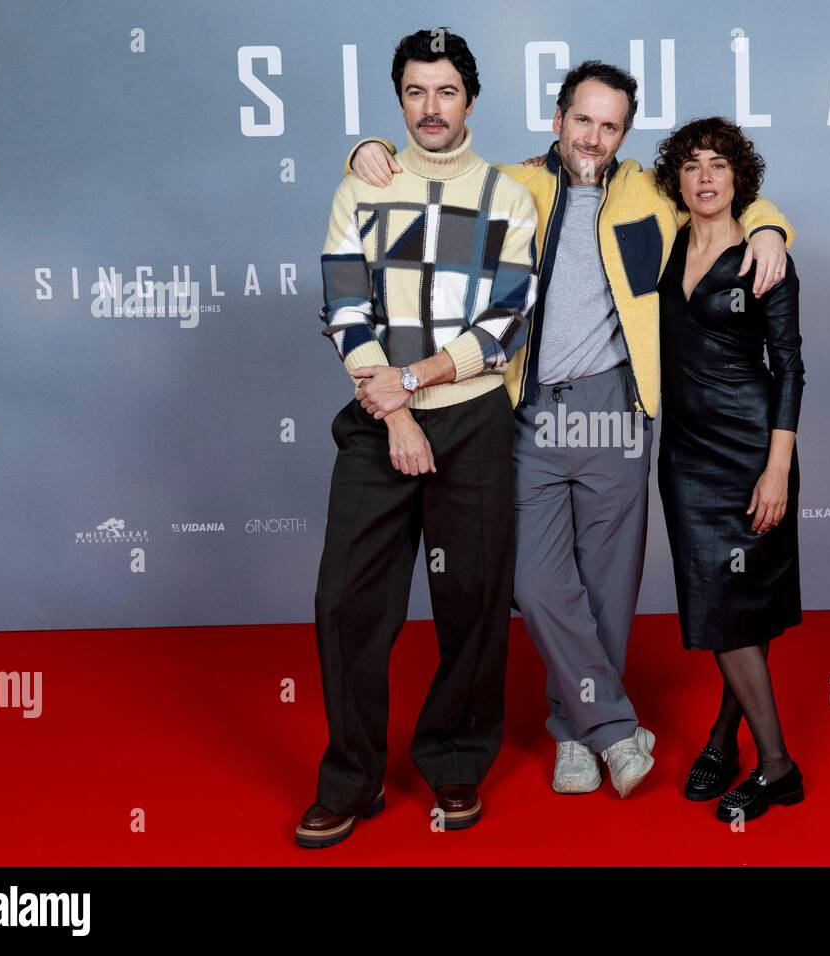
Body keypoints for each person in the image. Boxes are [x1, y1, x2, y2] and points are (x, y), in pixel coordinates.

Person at [347, 62, 795, 799]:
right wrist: (364, 150)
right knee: (537, 579)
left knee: (607, 586)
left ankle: (572, 735)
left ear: (624, 134)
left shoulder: (651, 193)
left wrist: (772, 225)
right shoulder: (513, 184)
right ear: (558, 120)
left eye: (610, 125)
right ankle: (616, 727)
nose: (594, 136)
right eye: (582, 120)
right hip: (529, 411)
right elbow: (432, 173)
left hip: (616, 408)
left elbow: (724, 198)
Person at [295, 29, 538, 848]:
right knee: (346, 602)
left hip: (470, 414)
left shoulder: (506, 195)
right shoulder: (362, 186)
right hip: (378, 418)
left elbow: (506, 319)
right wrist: (393, 409)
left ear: (470, 99)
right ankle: (351, 779)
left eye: (445, 92)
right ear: (398, 99)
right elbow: (343, 303)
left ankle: (457, 760)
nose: (429, 109)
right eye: (414, 92)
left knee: (471, 601)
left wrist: (419, 379)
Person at [652, 117, 805, 822]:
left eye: (718, 164)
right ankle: (723, 734)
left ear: (738, 175)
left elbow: (790, 368)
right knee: (722, 605)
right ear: (676, 179)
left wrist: (777, 469)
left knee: (737, 611)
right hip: (685, 456)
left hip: (751, 449)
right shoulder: (667, 237)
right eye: (691, 166)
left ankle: (776, 767)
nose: (705, 177)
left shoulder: (763, 254)